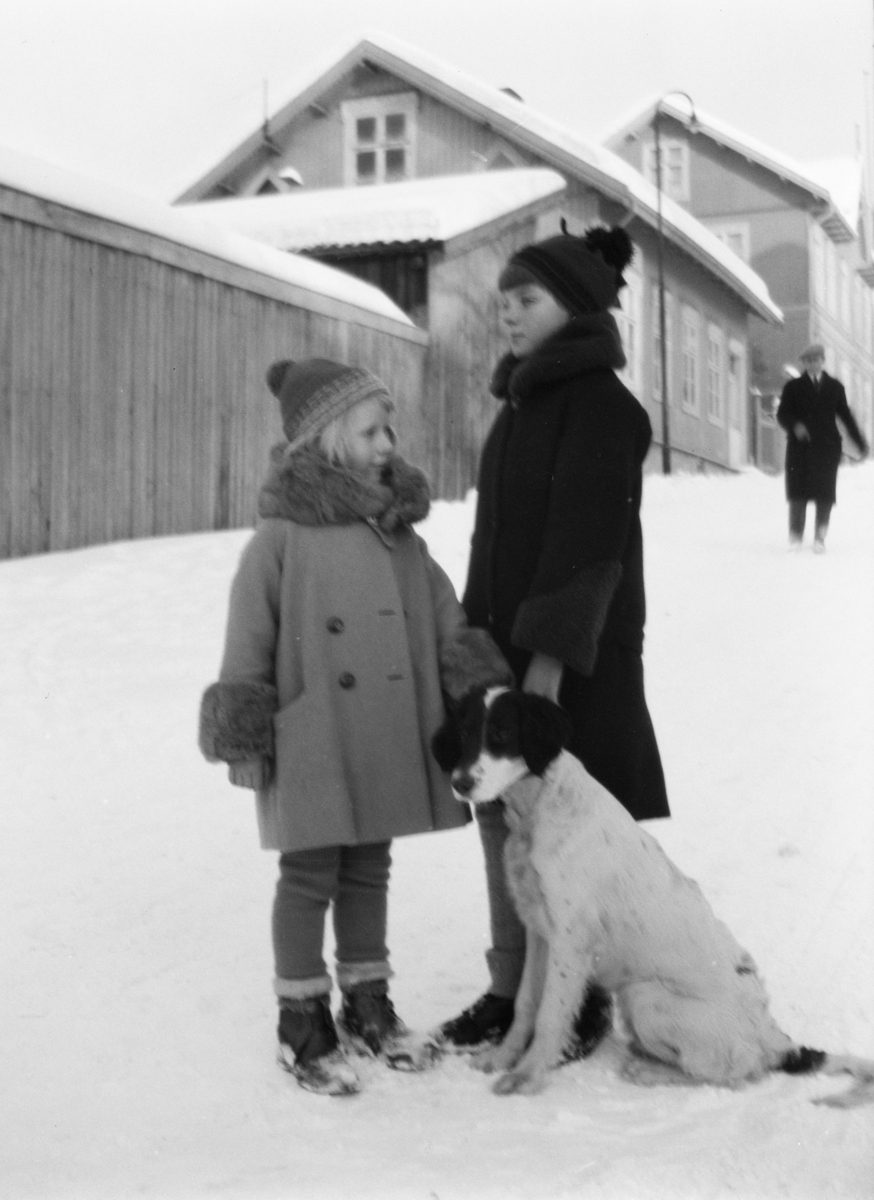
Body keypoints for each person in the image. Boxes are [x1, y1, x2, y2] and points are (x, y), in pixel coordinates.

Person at [199, 357, 511, 1096]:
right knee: (309, 873)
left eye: (388, 430)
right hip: (310, 731)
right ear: (326, 441)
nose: (386, 444)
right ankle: (302, 1019)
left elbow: (443, 616)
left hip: (382, 728)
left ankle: (368, 1003)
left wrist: (475, 687)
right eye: (371, 431)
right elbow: (248, 642)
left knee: (370, 863)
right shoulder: (278, 541)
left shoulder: (397, 534)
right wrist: (245, 737)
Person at [436, 223, 670, 1051]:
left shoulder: (603, 407)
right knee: (508, 829)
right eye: (500, 303)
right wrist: (473, 643)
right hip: (507, 659)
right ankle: (511, 991)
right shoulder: (521, 405)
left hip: (573, 667)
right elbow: (493, 541)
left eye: (524, 300)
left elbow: (585, 550)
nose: (507, 315)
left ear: (572, 304)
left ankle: (581, 1003)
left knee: (569, 834)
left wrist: (545, 668)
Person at [775, 344, 868, 552]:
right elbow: (782, 414)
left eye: (816, 359)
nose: (812, 363)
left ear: (822, 361)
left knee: (825, 492)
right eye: (808, 360)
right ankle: (796, 536)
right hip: (800, 448)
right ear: (804, 363)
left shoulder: (835, 387)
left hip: (827, 448)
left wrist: (860, 443)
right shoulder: (793, 387)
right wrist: (795, 425)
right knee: (797, 492)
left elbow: (846, 417)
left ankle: (820, 537)